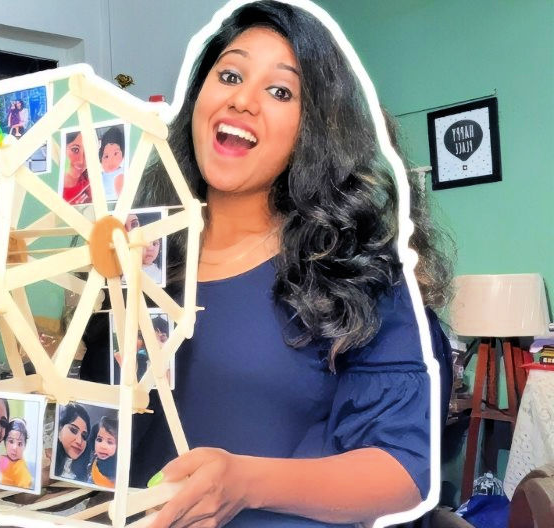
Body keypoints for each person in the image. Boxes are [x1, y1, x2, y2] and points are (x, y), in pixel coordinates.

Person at [107, 2, 455, 526]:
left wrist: (243, 484)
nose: (242, 100)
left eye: (280, 91)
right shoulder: (139, 260)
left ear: (315, 128)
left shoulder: (358, 273)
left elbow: (404, 468)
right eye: (229, 75)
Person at [53, 403, 91, 481]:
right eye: (73, 430)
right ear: (60, 430)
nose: (79, 441)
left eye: (84, 436)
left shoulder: (87, 475)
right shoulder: (47, 464)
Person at [0, 418, 33, 489]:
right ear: (5, 442)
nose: (14, 447)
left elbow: (24, 490)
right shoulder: (2, 458)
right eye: (11, 441)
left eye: (20, 444)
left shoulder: (20, 468)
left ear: (24, 446)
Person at [88, 417, 119, 488]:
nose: (103, 446)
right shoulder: (95, 457)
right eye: (99, 440)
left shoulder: (114, 468)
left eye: (110, 442)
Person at [61, 132, 91, 205]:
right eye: (75, 150)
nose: (81, 161)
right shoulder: (46, 187)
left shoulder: (91, 186)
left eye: (87, 154)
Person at [99, 126, 126, 201]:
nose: (111, 160)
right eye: (106, 156)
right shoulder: (99, 176)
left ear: (123, 154)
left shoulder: (122, 173)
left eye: (115, 154)